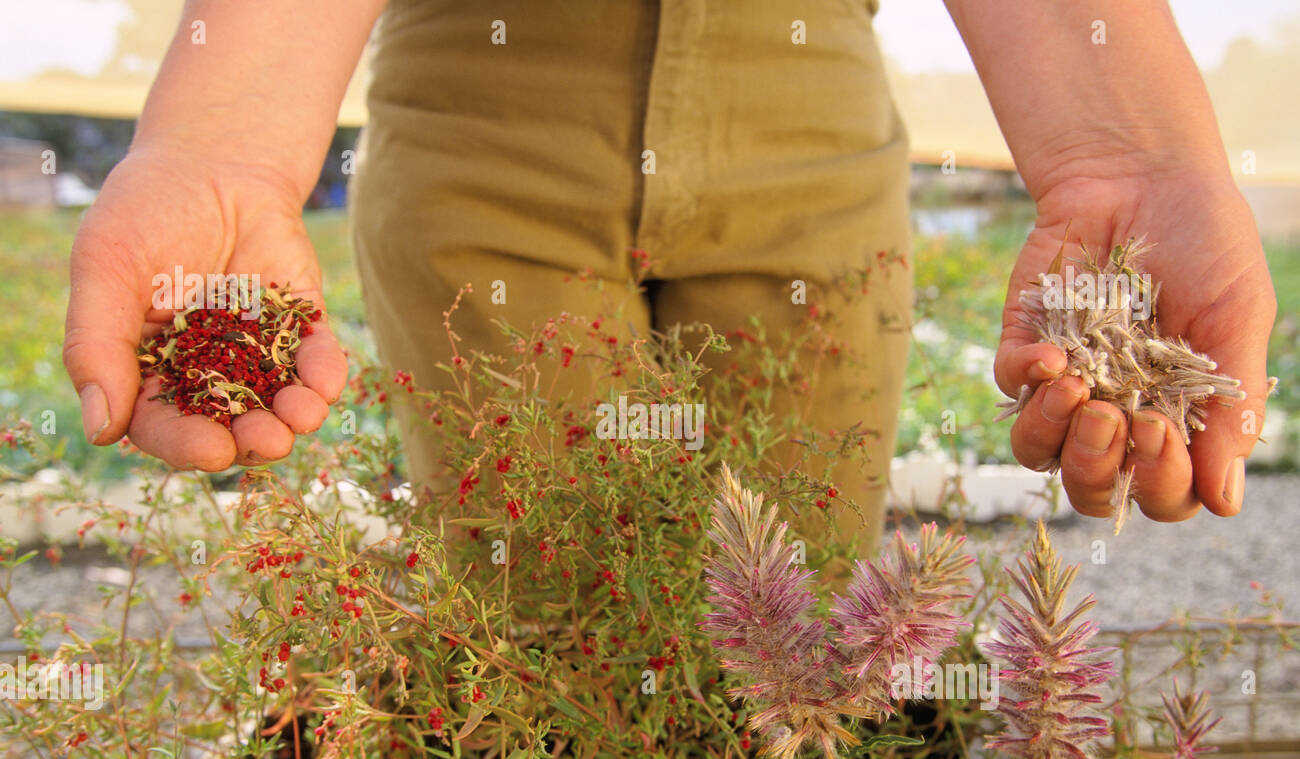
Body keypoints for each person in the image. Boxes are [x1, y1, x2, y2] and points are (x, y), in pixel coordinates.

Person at [63, 0, 1277, 555]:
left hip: (804, 115)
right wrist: (221, 144)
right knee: (542, 635)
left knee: (792, 636)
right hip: (484, 115)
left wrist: (1134, 155)